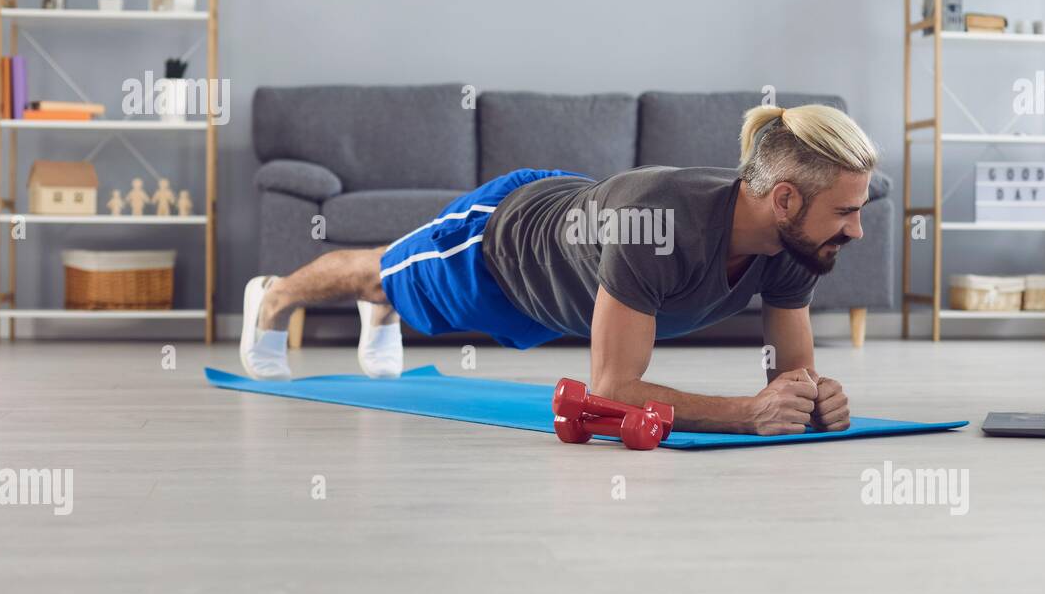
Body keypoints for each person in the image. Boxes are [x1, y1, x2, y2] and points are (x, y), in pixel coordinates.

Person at [239, 103, 877, 435]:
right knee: (382, 273)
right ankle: (274, 298)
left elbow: (791, 378)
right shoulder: (656, 223)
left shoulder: (800, 242)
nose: (857, 230)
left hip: (569, 285)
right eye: (846, 212)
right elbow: (613, 390)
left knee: (398, 290)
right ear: (786, 198)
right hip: (506, 245)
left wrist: (812, 401)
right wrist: (746, 413)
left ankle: (387, 304)